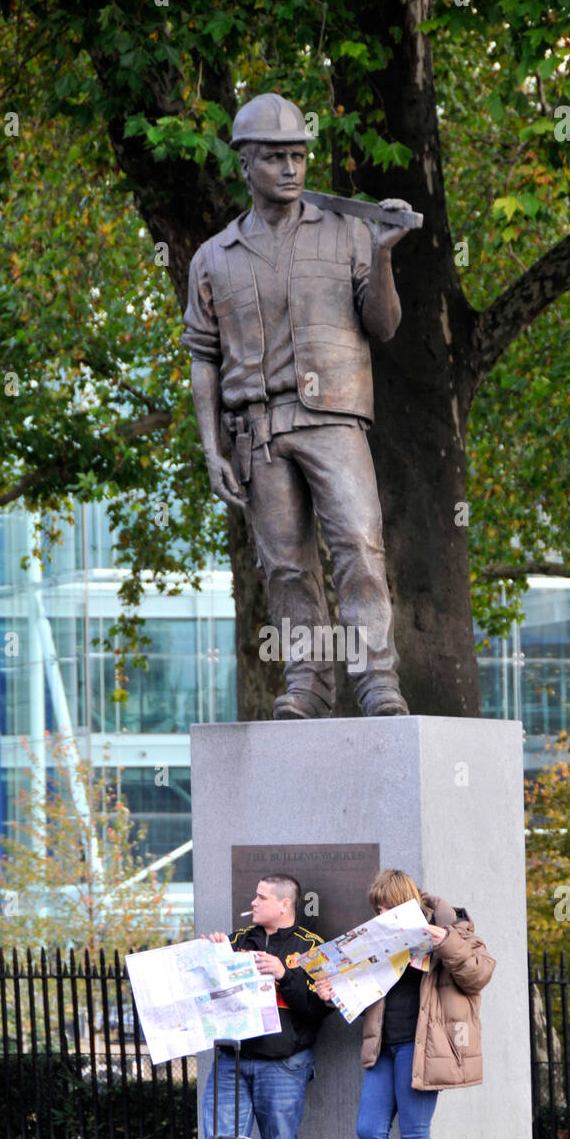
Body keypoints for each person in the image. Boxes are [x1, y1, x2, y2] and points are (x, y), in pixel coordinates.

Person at [182, 92, 414, 719]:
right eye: (275, 157)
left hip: (334, 419)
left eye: (298, 156)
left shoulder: (349, 234)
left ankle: (377, 682)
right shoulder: (214, 257)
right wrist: (211, 450)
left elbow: (384, 325)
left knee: (360, 548)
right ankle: (306, 684)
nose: (290, 168)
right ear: (244, 166)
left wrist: (385, 253)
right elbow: (203, 358)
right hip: (255, 432)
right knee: (284, 567)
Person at [314, 868, 496, 1139]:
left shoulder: (451, 923)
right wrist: (333, 991)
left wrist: (445, 942)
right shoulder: (378, 935)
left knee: (414, 1133)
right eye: (377, 908)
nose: (381, 914)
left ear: (406, 901)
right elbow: (362, 987)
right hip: (382, 1043)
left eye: (387, 906)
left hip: (423, 1045)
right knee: (369, 1130)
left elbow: (479, 974)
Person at [178, 874, 331, 1139]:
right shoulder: (236, 941)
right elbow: (205, 991)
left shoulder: (310, 947)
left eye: (262, 897)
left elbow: (319, 1009)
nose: (254, 901)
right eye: (255, 894)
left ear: (285, 904)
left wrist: (284, 974)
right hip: (232, 1059)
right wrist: (208, 955)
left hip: (284, 1063)